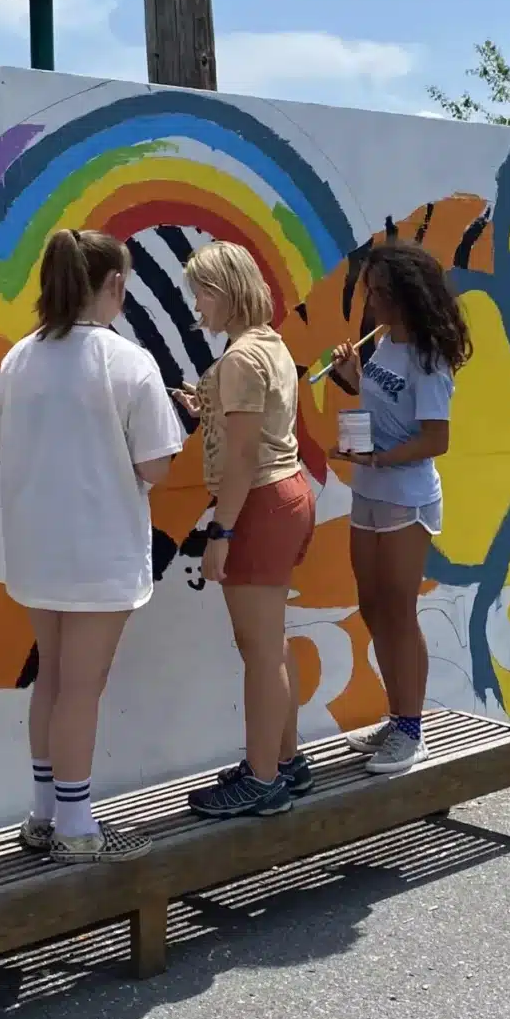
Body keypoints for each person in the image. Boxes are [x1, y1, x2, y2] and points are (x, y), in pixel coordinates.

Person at [0, 229, 183, 863]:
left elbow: (3, 447)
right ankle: (77, 828)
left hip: (34, 545)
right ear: (112, 285)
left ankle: (43, 814)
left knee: (51, 676)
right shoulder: (128, 361)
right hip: (99, 552)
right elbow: (156, 466)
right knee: (82, 688)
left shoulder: (18, 358)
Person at [178, 242, 321, 818]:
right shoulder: (270, 344)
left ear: (223, 292)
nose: (197, 311)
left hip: (258, 502)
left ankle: (263, 780)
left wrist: (220, 533)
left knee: (259, 652)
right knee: (271, 646)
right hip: (286, 492)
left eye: (200, 297)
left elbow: (240, 459)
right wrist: (205, 404)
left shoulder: (239, 358)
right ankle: (284, 762)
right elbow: (252, 427)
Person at [330, 242, 470, 775]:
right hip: (369, 490)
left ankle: (412, 731)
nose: (374, 303)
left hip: (406, 498)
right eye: (372, 292)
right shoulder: (384, 343)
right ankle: (398, 718)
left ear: (408, 296)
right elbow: (378, 409)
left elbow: (437, 439)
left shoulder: (429, 362)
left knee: (398, 610)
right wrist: (351, 380)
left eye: (383, 293)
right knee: (372, 607)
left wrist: (384, 458)